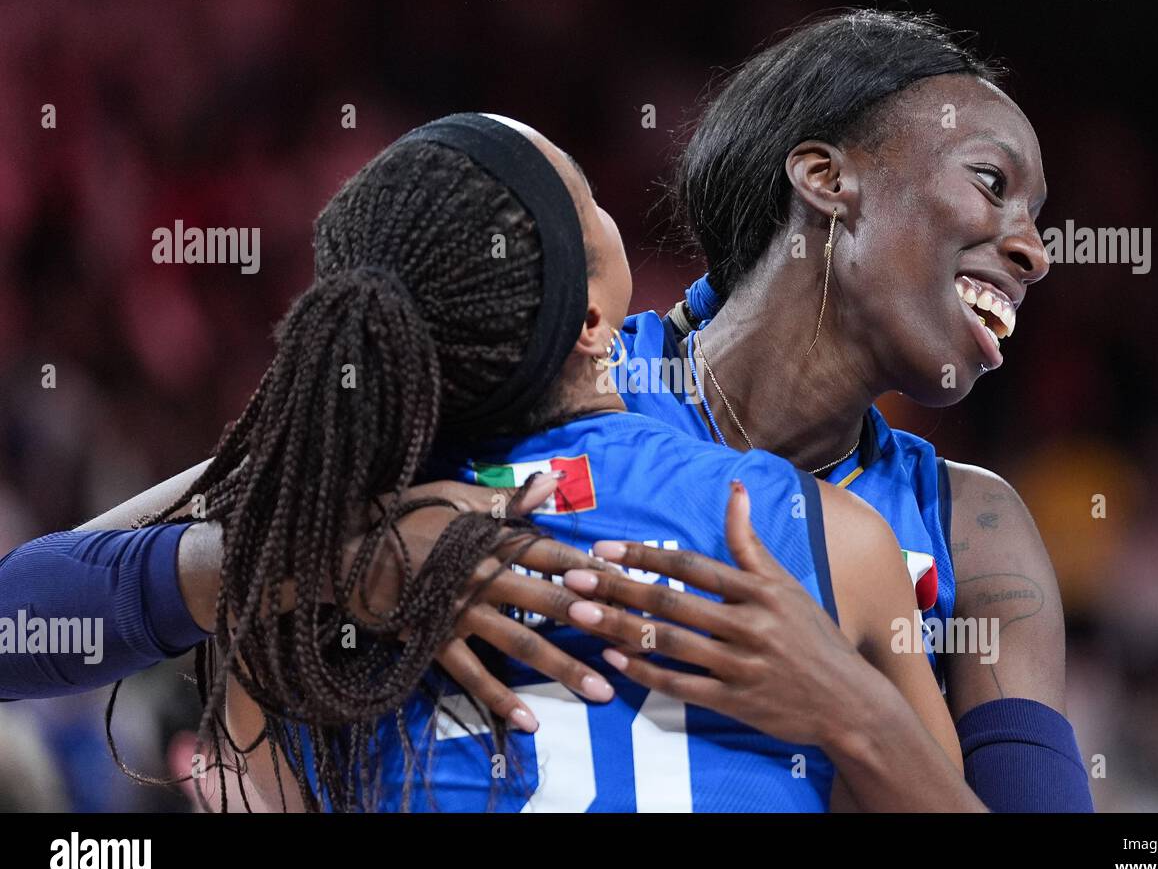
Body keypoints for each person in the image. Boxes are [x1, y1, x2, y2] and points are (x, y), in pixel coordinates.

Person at [1, 112, 983, 812]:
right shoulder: (834, 539)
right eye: (591, 202)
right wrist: (859, 715)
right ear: (600, 319)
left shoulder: (314, 561)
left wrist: (313, 558)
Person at [613, 8, 1092, 812]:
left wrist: (850, 703)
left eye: (1037, 218)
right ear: (827, 180)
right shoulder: (579, 381)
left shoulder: (974, 529)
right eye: (992, 183)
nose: (1036, 254)